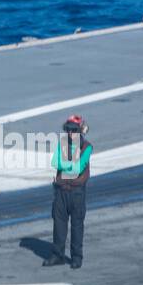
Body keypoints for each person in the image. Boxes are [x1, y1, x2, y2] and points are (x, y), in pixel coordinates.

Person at [43, 115, 93, 270]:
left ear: (80, 131)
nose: (70, 133)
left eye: (74, 130)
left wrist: (66, 166)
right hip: (61, 192)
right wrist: (70, 165)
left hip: (77, 192)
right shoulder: (62, 143)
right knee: (58, 225)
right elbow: (54, 162)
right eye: (68, 130)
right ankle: (57, 255)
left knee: (77, 225)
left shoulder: (87, 147)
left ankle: (76, 257)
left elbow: (78, 169)